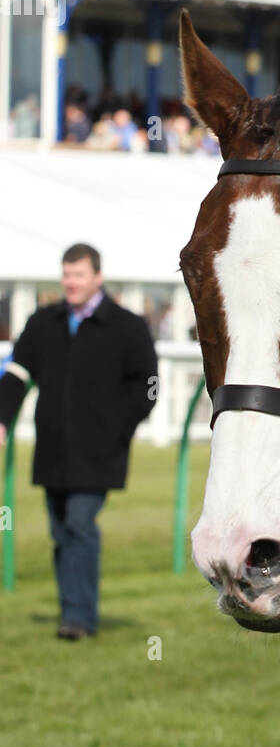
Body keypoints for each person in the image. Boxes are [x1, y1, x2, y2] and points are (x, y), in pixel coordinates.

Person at [0, 244, 157, 639]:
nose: (71, 282)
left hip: (100, 452)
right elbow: (17, 374)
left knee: (79, 522)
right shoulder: (43, 322)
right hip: (52, 448)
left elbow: (150, 387)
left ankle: (79, 619)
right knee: (59, 531)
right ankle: (73, 608)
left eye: (79, 275)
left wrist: (119, 426)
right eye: (66, 275)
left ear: (97, 277)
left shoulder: (128, 326)